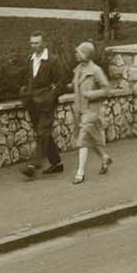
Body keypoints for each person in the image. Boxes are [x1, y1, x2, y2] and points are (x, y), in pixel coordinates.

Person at [19, 32, 65, 178]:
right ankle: (57, 163)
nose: (34, 46)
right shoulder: (30, 59)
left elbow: (61, 82)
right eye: (32, 43)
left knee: (42, 131)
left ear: (44, 43)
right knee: (43, 132)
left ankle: (34, 164)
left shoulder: (53, 60)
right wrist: (25, 92)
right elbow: (28, 79)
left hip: (47, 102)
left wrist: (51, 96)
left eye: (37, 43)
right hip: (32, 102)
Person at [69, 42, 114, 184]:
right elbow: (75, 85)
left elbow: (107, 89)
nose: (76, 54)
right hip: (80, 110)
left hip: (92, 110)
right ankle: (104, 158)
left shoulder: (95, 70)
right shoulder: (78, 69)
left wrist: (91, 94)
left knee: (83, 138)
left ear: (86, 54)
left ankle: (80, 172)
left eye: (79, 52)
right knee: (90, 138)